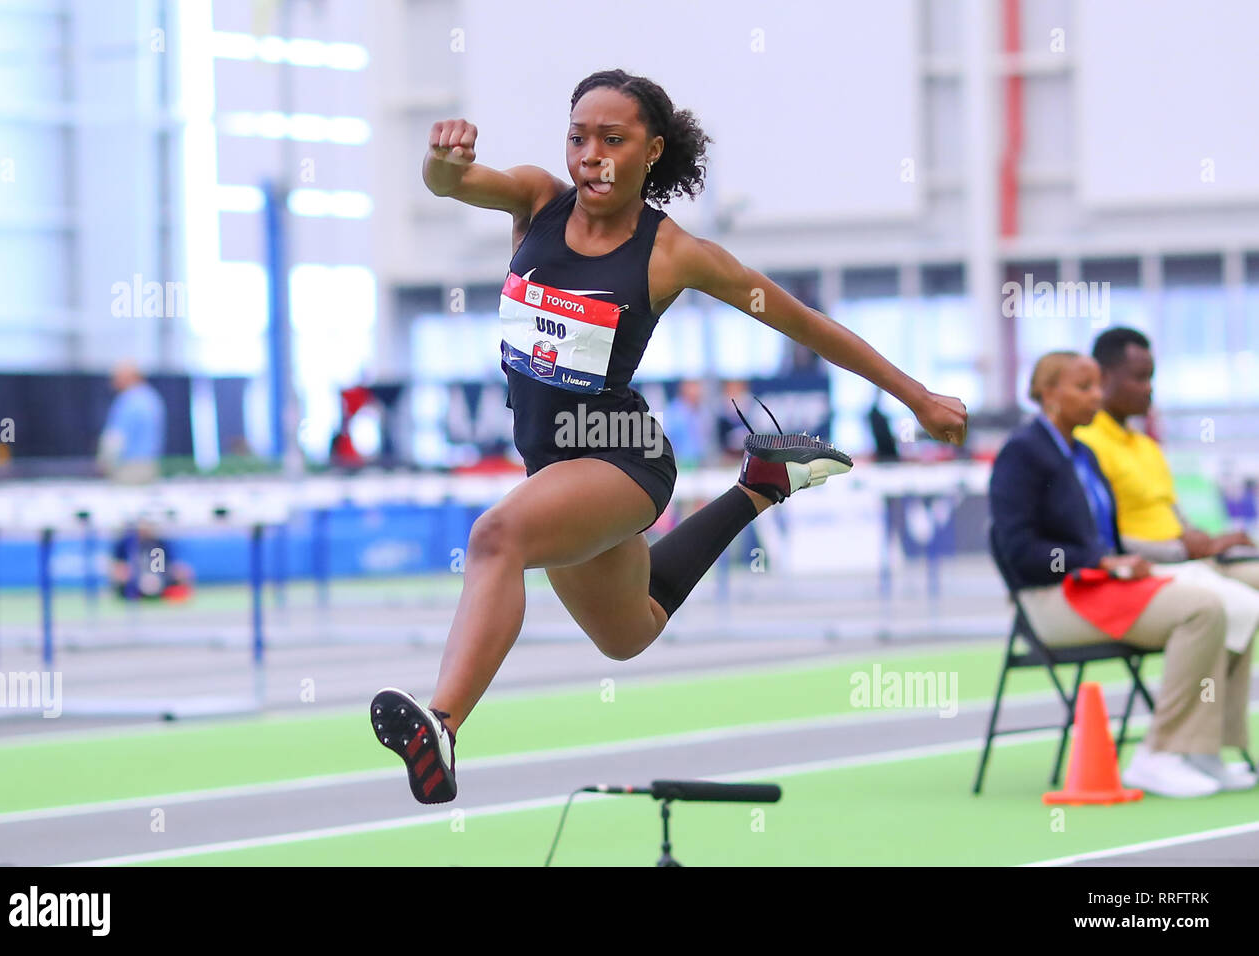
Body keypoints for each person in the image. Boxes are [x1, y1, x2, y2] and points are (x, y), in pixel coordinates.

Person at [371, 69, 968, 805]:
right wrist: (444, 159)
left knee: (497, 537)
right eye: (578, 136)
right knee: (629, 633)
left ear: (650, 152)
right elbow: (449, 185)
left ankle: (443, 724)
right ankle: (761, 486)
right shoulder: (534, 199)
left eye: (613, 140)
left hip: (620, 454)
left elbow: (803, 323)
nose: (591, 154)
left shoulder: (673, 253)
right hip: (551, 466)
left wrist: (916, 397)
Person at [989, 351, 1252, 798]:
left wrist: (1121, 561)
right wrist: (1093, 562)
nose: (1096, 396)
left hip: (1102, 585)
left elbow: (1105, 538)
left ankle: (1203, 751)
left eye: (1096, 386)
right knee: (1203, 609)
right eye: (1083, 387)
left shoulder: (1084, 454)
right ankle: (1159, 754)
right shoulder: (1022, 453)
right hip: (1052, 598)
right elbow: (1019, 551)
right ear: (1048, 393)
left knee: (1235, 605)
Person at [1074, 327, 1259, 657]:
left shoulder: (1147, 447)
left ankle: (1223, 710)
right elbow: (1107, 540)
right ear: (1102, 376)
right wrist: (1182, 549)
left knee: (1244, 589)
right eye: (1140, 378)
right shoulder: (1086, 447)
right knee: (1226, 607)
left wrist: (1211, 541)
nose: (1149, 390)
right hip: (1152, 567)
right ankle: (1201, 708)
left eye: (1152, 378)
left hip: (1188, 559)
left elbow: (1176, 517)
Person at [98, 362, 166, 484]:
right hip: (150, 465)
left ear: (128, 378)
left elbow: (116, 438)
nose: (113, 382)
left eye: (117, 377)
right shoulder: (152, 398)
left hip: (129, 468)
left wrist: (105, 462)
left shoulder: (127, 400)